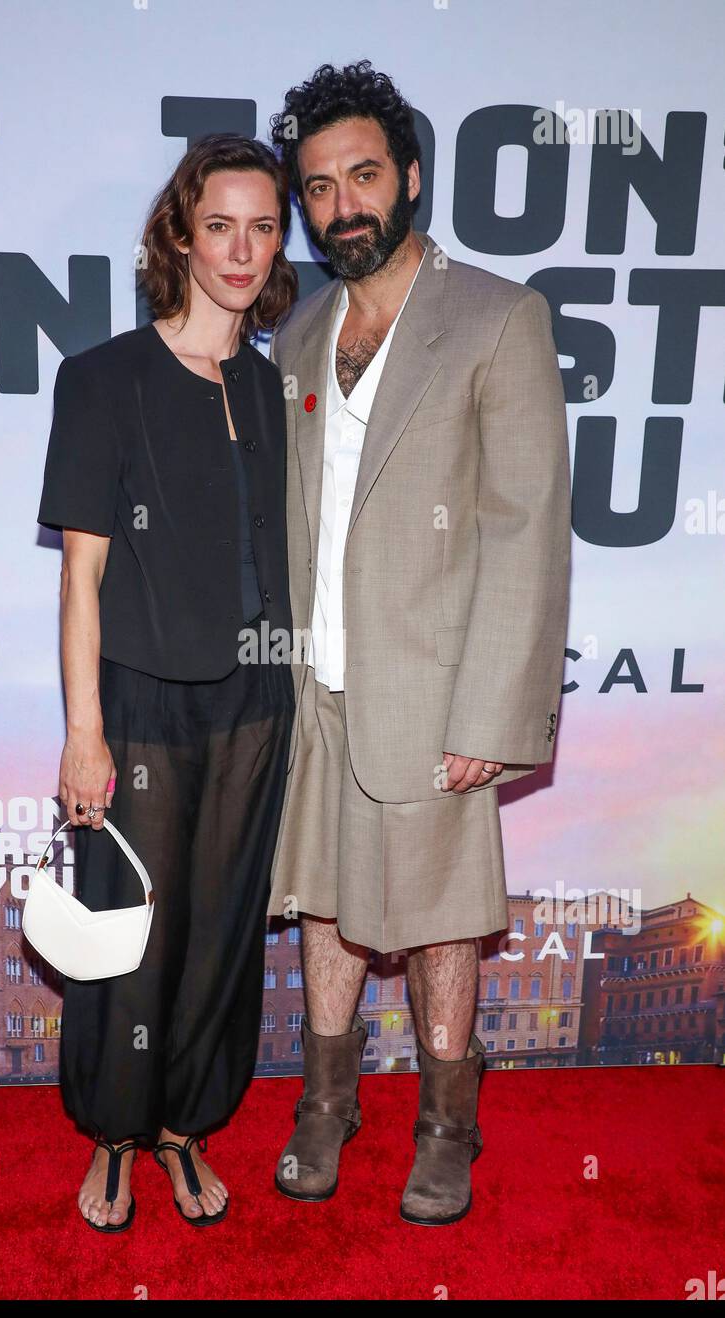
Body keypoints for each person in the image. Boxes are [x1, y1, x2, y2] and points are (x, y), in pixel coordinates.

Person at [265, 61, 572, 1224]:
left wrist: (491, 716)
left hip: (434, 692)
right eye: (318, 188)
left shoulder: (496, 317)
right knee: (328, 909)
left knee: (441, 919)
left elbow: (525, 528)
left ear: (409, 178)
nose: (341, 205)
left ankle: (446, 1118)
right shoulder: (295, 334)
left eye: (361, 177)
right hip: (314, 692)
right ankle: (325, 1102)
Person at [36, 134, 297, 1231]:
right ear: (178, 236)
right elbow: (81, 577)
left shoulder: (267, 381)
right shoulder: (102, 378)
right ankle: (113, 1137)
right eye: (220, 225)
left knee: (221, 931)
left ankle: (186, 1128)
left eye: (263, 226)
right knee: (129, 929)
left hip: (255, 699)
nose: (241, 250)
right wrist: (83, 732)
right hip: (143, 695)